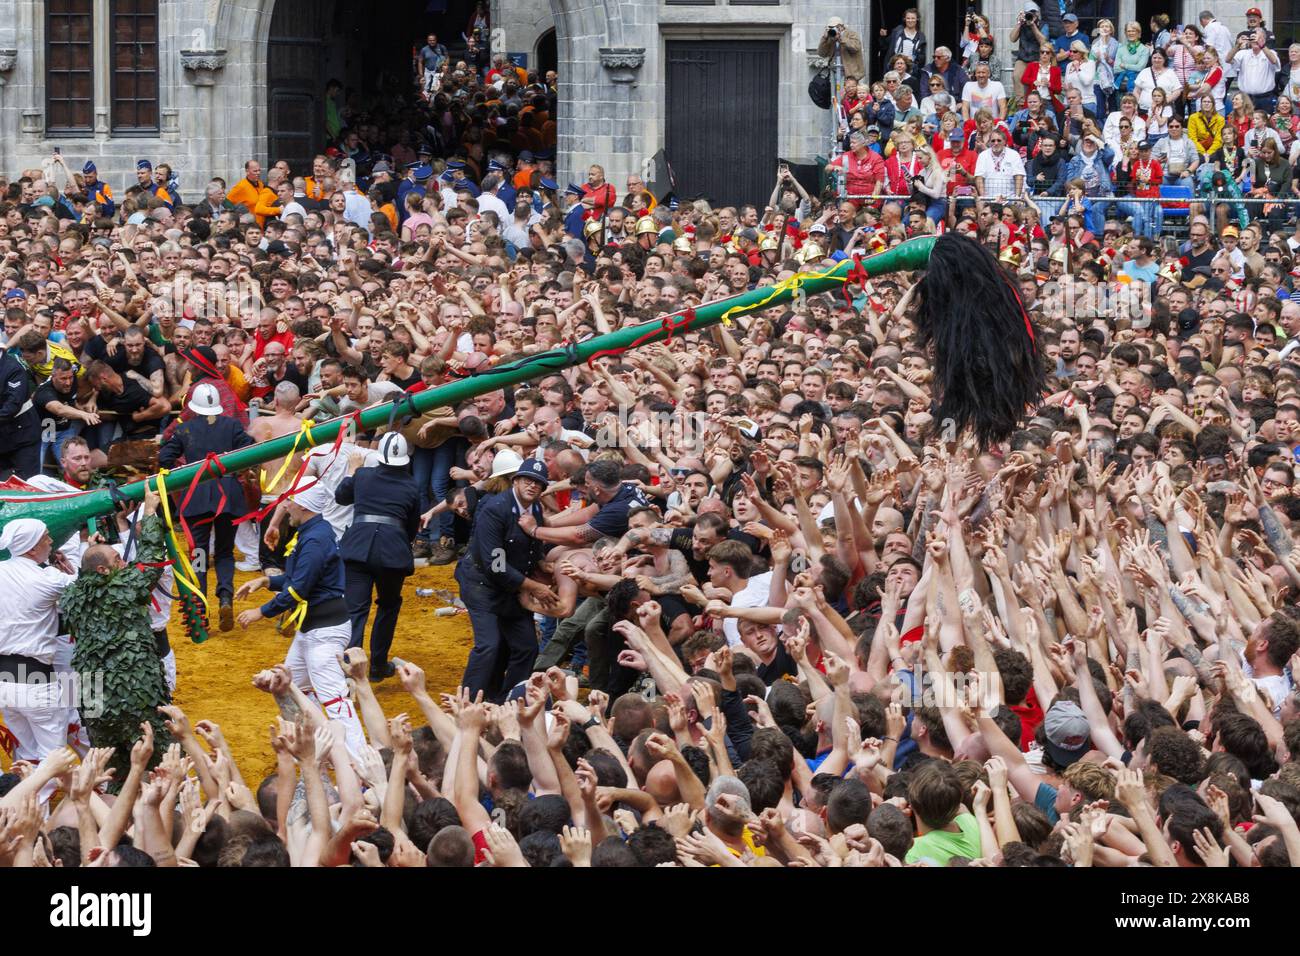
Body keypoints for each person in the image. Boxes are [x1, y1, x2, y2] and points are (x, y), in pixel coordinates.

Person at [235, 482, 365, 756]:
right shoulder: (313, 532)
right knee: (294, 689)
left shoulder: (315, 539)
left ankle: (360, 763)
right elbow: (299, 579)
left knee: (336, 701)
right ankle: (316, 750)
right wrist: (265, 581)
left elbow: (298, 588)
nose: (285, 505)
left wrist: (261, 612)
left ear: (304, 506)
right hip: (312, 630)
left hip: (324, 633)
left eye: (289, 501)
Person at [60, 483, 170, 777]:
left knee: (112, 773)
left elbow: (87, 575)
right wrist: (149, 510)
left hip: (91, 697)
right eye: (118, 560)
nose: (125, 561)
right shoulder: (127, 586)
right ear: (103, 571)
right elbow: (151, 559)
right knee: (160, 765)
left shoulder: (70, 596)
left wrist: (93, 549)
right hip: (134, 695)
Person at [457, 456, 558, 703]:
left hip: (511, 587)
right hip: (482, 585)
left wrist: (541, 562)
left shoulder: (534, 508)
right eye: (528, 480)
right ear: (516, 480)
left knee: (527, 646)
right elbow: (497, 564)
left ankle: (511, 699)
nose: (532, 486)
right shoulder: (495, 509)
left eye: (538, 483)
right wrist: (535, 586)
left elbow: (531, 546)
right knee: (488, 645)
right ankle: (467, 703)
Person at [158, 382, 256, 631]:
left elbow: (164, 458)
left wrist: (185, 470)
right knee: (224, 552)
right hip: (228, 494)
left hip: (197, 495)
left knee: (199, 553)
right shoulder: (232, 425)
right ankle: (225, 596)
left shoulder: (185, 430)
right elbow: (250, 448)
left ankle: (200, 609)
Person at [336, 433, 421, 681]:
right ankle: (377, 665)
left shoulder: (363, 476)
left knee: (355, 610)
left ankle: (351, 667)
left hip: (359, 547)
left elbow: (341, 496)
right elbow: (412, 526)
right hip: (393, 550)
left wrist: (352, 470)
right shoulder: (412, 485)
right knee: (388, 605)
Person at [0, 518, 77, 766]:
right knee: (53, 762)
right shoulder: (48, 578)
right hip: (37, 683)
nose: (52, 541)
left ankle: (20, 804)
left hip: (4, 684)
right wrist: (71, 569)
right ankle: (38, 806)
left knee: (27, 757)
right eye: (46, 536)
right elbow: (89, 588)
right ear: (33, 548)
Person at [0, 346, 42, 479]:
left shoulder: (13, 368)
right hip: (2, 435)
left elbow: (13, 405)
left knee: (27, 482)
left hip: (23, 434)